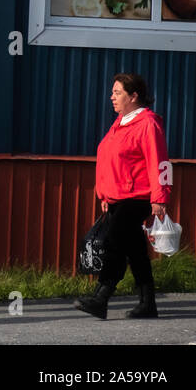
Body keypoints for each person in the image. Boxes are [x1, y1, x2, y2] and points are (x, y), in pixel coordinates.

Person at [75, 73, 170, 319]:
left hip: (138, 196)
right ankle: (148, 303)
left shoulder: (148, 123)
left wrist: (160, 198)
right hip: (118, 197)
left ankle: (101, 297)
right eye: (113, 92)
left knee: (113, 243)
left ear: (133, 96)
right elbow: (110, 161)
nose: (112, 97)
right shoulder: (120, 123)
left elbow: (159, 161)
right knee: (135, 251)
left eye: (117, 92)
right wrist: (104, 194)